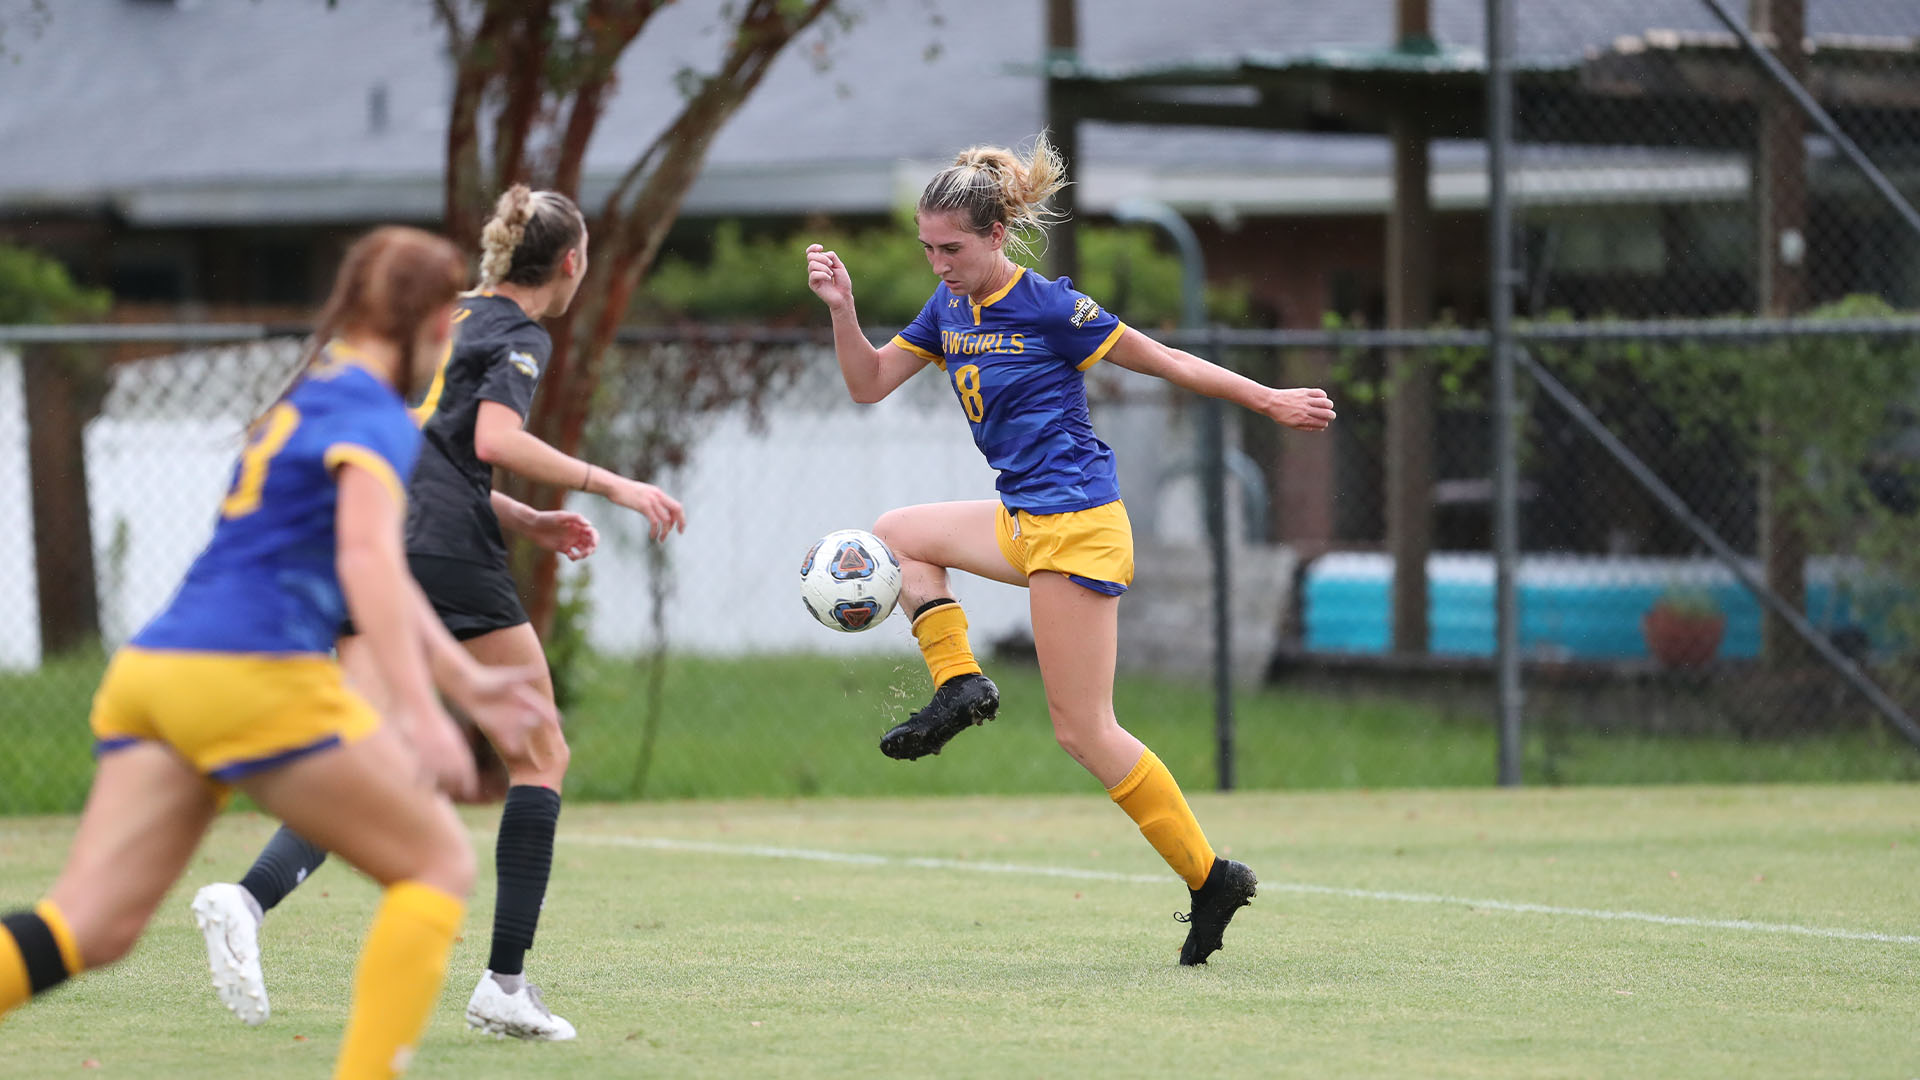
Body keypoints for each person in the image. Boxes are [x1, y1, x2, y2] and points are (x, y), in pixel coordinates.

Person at [0, 226, 555, 1079]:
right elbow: (369, 564)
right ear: (417, 322)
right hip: (251, 674)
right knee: (438, 862)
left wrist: (466, 687)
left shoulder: (312, 390)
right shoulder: (375, 412)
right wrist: (424, 709)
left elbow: (376, 566)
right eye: (442, 325)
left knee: (91, 926)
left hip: (157, 671)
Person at [803, 134, 1335, 965]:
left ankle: (1212, 878)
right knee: (898, 532)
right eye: (928, 249)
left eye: (952, 249)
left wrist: (1268, 399)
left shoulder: (1051, 306)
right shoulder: (947, 309)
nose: (938, 264)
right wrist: (842, 309)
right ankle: (960, 685)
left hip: (1079, 525)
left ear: (996, 236)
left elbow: (1165, 360)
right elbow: (868, 383)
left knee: (1085, 731)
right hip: (1025, 521)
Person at [192, 186, 685, 1041]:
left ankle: (246, 900)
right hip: (447, 553)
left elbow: (429, 453)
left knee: (369, 754)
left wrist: (524, 517)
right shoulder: (519, 333)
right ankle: (504, 984)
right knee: (538, 751)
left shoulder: (441, 316)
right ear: (570, 263)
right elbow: (493, 439)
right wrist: (612, 484)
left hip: (370, 539)